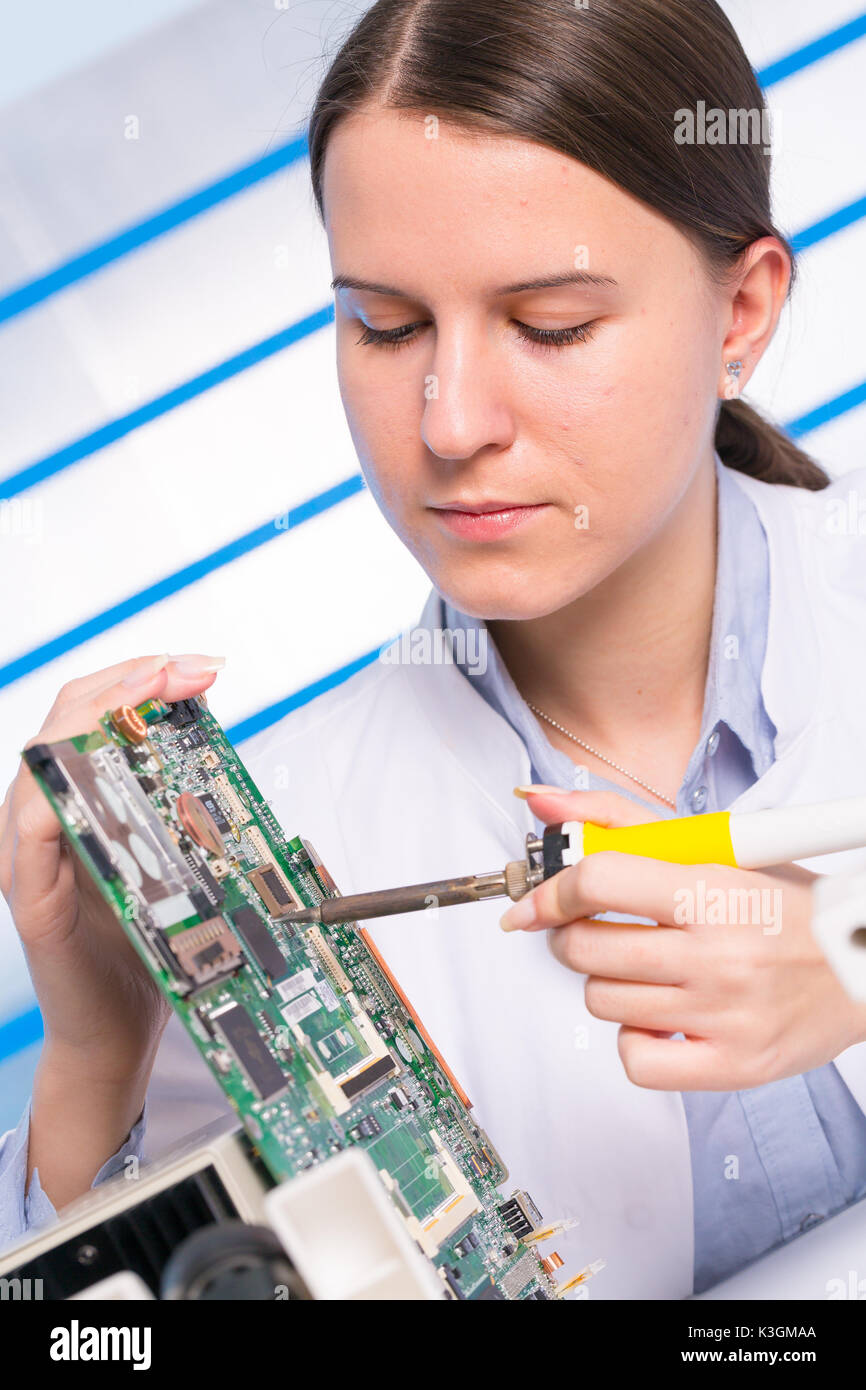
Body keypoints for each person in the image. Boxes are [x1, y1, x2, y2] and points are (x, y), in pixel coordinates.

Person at [2, 0, 866, 1299]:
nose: (450, 421)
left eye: (552, 323)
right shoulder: (280, 861)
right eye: (386, 325)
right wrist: (96, 1050)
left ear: (740, 310)